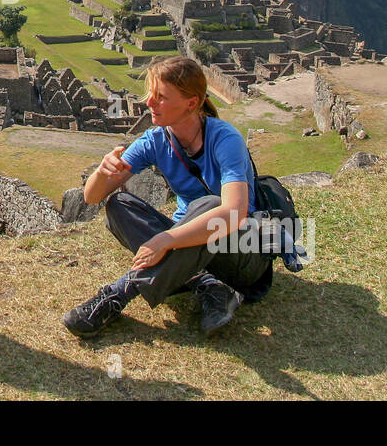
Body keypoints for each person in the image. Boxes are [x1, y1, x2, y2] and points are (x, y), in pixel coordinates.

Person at [61, 56, 275, 339]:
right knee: (118, 204)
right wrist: (102, 171)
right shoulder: (155, 141)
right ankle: (207, 283)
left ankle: (116, 295)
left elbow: (234, 213)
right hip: (191, 243)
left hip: (241, 252)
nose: (149, 103)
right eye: (150, 94)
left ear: (191, 102)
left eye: (160, 97)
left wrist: (167, 239)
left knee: (210, 205)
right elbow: (93, 197)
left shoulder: (225, 140)